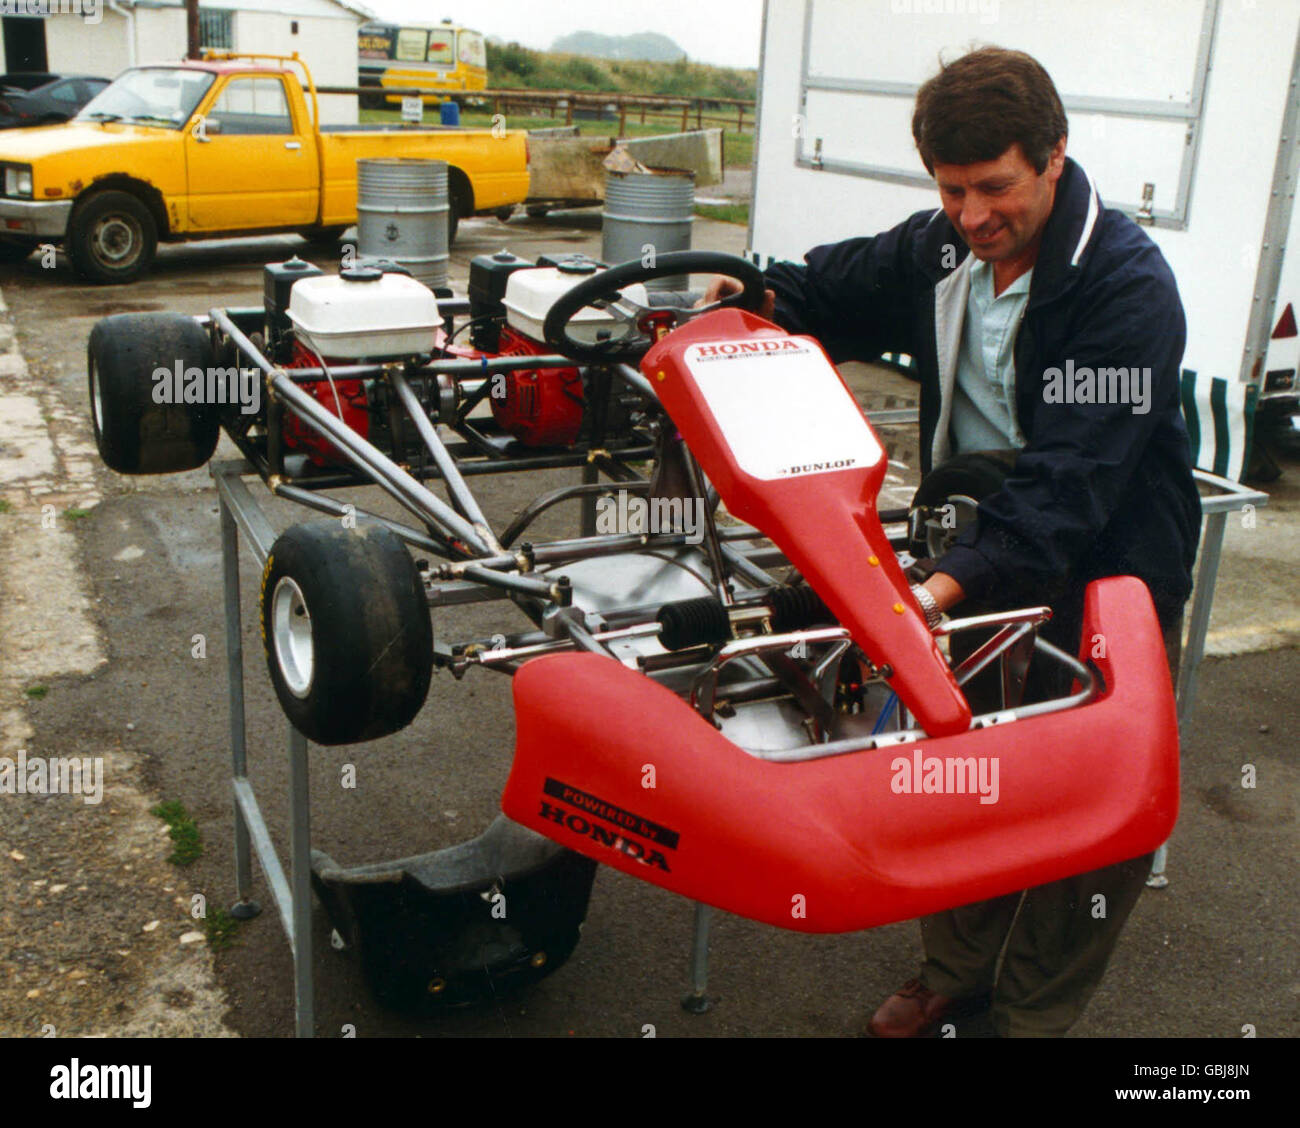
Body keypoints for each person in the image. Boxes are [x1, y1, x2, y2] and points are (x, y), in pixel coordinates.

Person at [701, 45, 1201, 1037]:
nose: (973, 215)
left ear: (1054, 155)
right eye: (950, 188)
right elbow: (820, 289)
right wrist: (748, 307)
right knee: (963, 772)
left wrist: (923, 596)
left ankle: (1029, 1015)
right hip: (962, 554)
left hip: (1105, 569)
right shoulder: (941, 248)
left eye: (994, 187)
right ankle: (952, 975)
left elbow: (1068, 487)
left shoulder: (1125, 287)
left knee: (1091, 810)